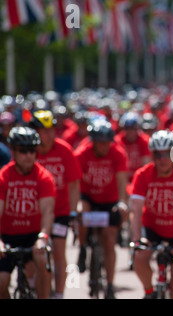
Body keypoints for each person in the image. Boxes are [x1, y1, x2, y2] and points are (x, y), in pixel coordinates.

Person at [129, 130, 173, 299]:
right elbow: (136, 209)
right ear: (152, 155)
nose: (163, 159)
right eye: (158, 155)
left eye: (167, 154)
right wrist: (137, 239)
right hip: (152, 229)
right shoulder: (143, 174)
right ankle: (148, 291)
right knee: (139, 255)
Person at [28, 110, 82, 299]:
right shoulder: (27, 151)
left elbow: (74, 183)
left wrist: (73, 212)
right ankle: (33, 287)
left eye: (51, 130)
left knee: (59, 253)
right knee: (32, 257)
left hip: (60, 212)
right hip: (34, 214)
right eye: (44, 131)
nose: (49, 135)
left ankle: (59, 294)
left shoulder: (64, 149)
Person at [74, 118, 129, 299]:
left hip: (109, 200)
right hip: (88, 197)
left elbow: (122, 181)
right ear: (93, 141)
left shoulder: (118, 154)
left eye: (107, 143)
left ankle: (111, 284)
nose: (104, 146)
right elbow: (74, 183)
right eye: (100, 143)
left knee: (109, 239)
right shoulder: (82, 154)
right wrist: (74, 206)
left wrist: (122, 202)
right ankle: (82, 248)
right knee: (82, 212)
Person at [0, 126, 55, 299]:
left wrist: (43, 236)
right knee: (2, 280)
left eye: (32, 150)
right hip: (7, 236)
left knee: (43, 261)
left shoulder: (44, 177)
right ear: (13, 152)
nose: (29, 155)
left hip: (33, 235)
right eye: (23, 151)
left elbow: (48, 211)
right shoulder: (3, 177)